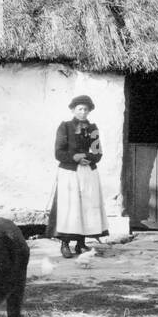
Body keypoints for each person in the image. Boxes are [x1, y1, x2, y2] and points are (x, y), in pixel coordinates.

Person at [46, 95, 107, 258]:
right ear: (73, 110)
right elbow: (58, 152)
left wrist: (89, 158)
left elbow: (98, 152)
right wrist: (74, 157)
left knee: (86, 207)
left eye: (86, 109)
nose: (83, 112)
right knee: (69, 208)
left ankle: (81, 244)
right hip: (69, 173)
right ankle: (65, 244)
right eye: (80, 108)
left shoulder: (93, 128)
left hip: (88, 173)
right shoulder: (65, 127)